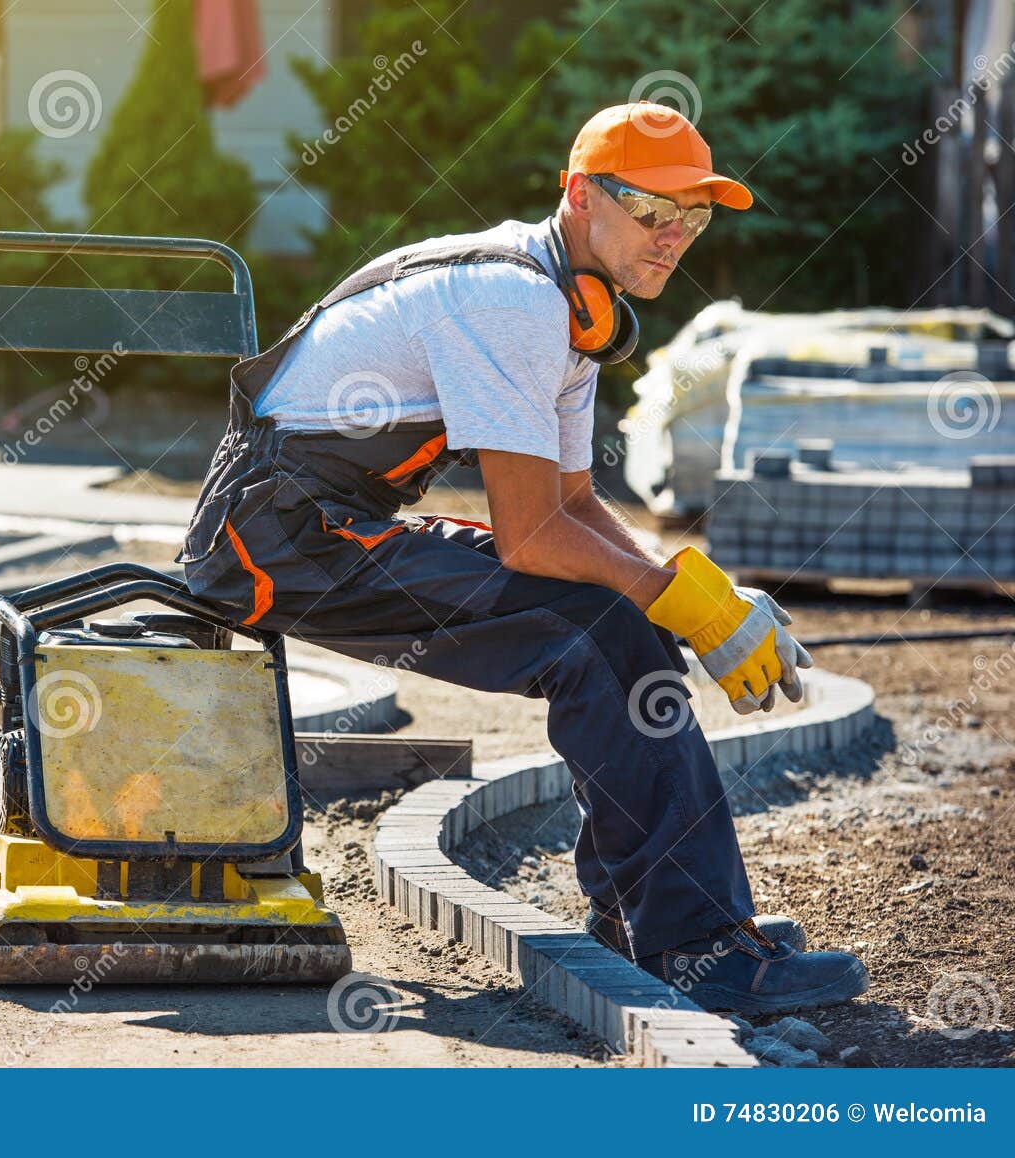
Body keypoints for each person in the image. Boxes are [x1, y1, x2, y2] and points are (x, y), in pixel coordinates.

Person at [175, 101, 868, 1014]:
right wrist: (679, 608)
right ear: (582, 195)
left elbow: (576, 506)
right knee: (590, 633)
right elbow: (531, 535)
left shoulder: (573, 309)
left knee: (618, 621)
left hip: (327, 523)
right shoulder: (514, 297)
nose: (674, 237)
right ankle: (697, 947)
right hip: (271, 541)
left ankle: (645, 916)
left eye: (692, 219)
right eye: (653, 210)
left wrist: (703, 596)